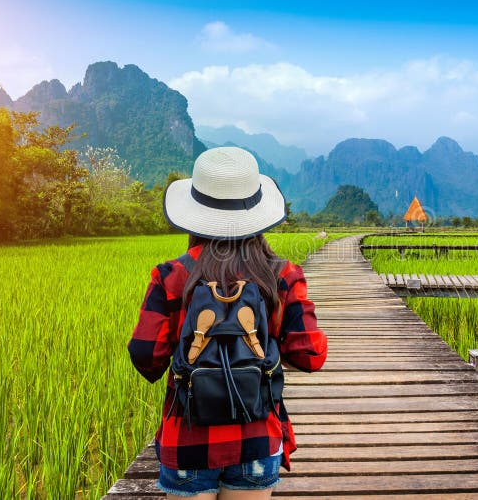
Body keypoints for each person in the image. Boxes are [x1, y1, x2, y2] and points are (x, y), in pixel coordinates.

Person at [128, 147, 328, 499]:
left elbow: (146, 356)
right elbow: (311, 355)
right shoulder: (282, 275)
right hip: (257, 437)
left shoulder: (170, 276)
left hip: (187, 439)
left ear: (195, 212)